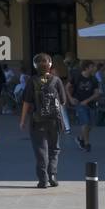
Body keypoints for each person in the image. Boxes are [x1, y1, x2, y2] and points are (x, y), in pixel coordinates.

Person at [20, 53, 66, 187]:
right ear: (50, 65)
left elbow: (26, 102)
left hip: (37, 120)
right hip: (55, 121)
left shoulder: (32, 81)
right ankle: (52, 175)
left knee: (41, 150)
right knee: (54, 149)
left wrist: (22, 121)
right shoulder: (57, 81)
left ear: (35, 66)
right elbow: (62, 102)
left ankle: (43, 179)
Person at [68, 60, 99, 152]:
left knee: (90, 125)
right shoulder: (77, 77)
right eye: (92, 67)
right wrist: (70, 98)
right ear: (86, 68)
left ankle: (80, 138)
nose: (94, 69)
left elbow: (97, 93)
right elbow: (67, 87)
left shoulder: (94, 79)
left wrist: (87, 100)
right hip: (79, 103)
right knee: (85, 122)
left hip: (90, 104)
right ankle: (86, 144)